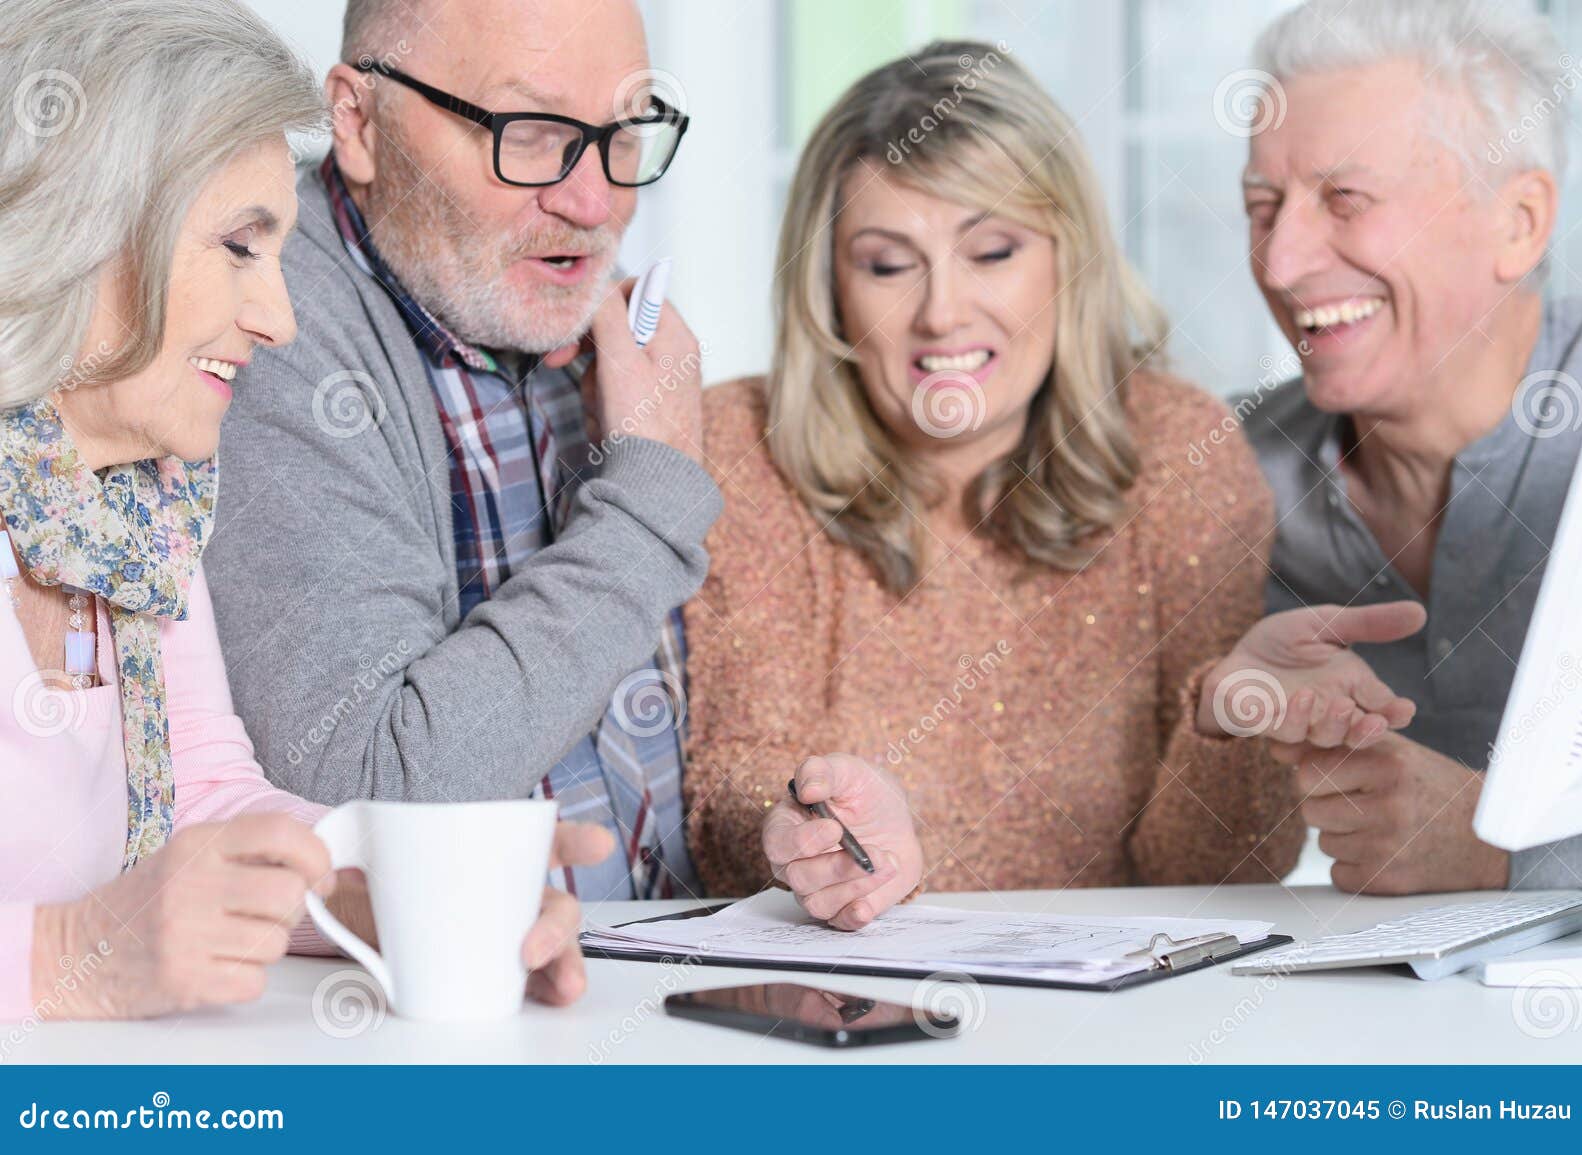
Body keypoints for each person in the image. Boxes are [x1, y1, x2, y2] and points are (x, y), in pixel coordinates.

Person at [682, 42, 1425, 928]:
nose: (942, 312)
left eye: (992, 251)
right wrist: (812, 820)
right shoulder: (738, 446)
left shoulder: (1176, 450)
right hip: (842, 1007)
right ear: (829, 286)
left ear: (1067, 260)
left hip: (1108, 1024)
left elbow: (1213, 876)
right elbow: (724, 790)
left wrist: (1232, 725)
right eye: (887, 264)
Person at [0, 0, 608, 1022]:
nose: (278, 321)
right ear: (84, 227)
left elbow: (204, 795)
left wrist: (382, 892)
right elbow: (87, 946)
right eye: (240, 247)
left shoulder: (143, 509)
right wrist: (63, 957)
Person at [203, 0, 720, 902]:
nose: (595, 204)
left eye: (625, 133)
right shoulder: (266, 333)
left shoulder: (558, 318)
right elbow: (369, 798)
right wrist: (646, 508)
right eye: (530, 133)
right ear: (359, 124)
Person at [1240, 0, 1582, 895]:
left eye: (1345, 200)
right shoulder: (1227, 473)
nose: (1281, 264)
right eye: (1263, 207)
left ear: (1517, 223)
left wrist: (1501, 858)